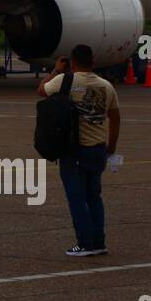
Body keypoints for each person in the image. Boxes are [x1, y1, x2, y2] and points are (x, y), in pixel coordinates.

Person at [37, 44, 121, 257]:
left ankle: (85, 243)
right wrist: (111, 147)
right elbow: (115, 117)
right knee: (94, 196)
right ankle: (99, 241)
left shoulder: (64, 80)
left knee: (77, 198)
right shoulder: (106, 86)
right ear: (93, 62)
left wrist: (56, 70)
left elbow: (41, 90)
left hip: (73, 151)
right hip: (97, 149)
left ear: (72, 63)